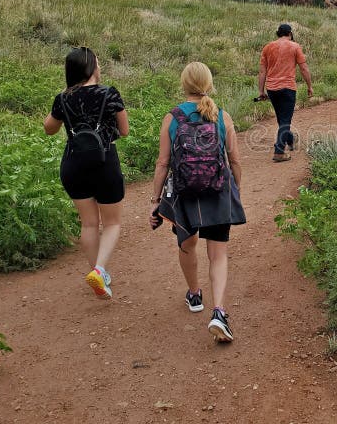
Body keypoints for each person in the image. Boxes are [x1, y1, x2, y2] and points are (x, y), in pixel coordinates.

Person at [149, 62, 246, 342]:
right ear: (209, 83)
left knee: (187, 245)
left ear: (184, 85)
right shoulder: (221, 116)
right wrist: (235, 189)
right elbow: (235, 160)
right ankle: (219, 312)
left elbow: (163, 163)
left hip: (185, 192)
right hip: (218, 192)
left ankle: (194, 295)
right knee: (218, 255)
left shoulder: (173, 118)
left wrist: (155, 200)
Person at [44, 47, 129, 299]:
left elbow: (49, 128)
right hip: (104, 162)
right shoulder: (109, 93)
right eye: (98, 63)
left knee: (89, 222)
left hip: (73, 163)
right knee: (112, 222)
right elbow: (124, 131)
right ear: (91, 68)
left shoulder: (63, 97)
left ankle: (97, 274)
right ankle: (100, 270)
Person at [257, 23, 313, 162]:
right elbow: (304, 68)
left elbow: (262, 71)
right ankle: (279, 151)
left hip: (272, 89)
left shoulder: (267, 47)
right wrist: (309, 86)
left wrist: (261, 91)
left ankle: (290, 139)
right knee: (285, 119)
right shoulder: (295, 46)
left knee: (282, 119)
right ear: (290, 33)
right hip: (288, 87)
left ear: (278, 33)